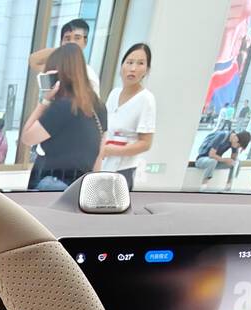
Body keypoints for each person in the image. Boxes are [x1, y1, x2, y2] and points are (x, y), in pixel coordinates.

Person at [20, 43, 107, 191]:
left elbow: (27, 137)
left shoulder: (63, 106)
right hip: (80, 186)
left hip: (53, 182)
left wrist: (44, 101)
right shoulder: (98, 105)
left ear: (59, 74)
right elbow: (100, 153)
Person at [99, 43, 156, 189]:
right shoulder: (114, 93)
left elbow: (145, 143)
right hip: (103, 164)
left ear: (147, 70)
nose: (133, 68)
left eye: (140, 63)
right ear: (122, 65)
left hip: (122, 170)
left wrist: (111, 150)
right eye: (129, 62)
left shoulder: (146, 99)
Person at [29, 18, 102, 95]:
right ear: (61, 42)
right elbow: (33, 60)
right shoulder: (54, 69)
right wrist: (64, 50)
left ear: (85, 42)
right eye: (67, 39)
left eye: (77, 38)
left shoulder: (88, 74)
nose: (72, 42)